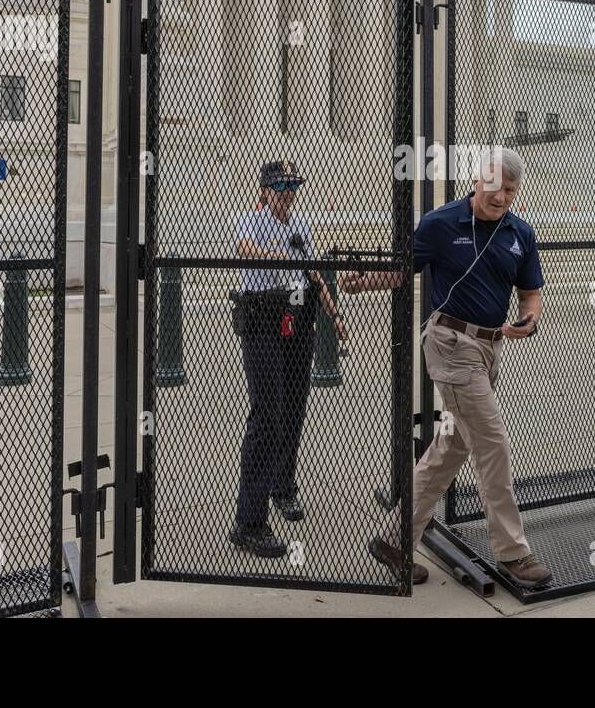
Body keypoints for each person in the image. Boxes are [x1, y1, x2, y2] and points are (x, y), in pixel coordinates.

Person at [338, 147, 553, 590]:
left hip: (490, 347)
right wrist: (364, 281)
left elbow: (530, 292)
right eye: (494, 186)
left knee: (450, 448)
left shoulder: (520, 233)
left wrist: (529, 320)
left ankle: (394, 539)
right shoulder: (441, 223)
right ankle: (513, 552)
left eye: (510, 190)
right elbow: (402, 271)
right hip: (450, 343)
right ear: (477, 180)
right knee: (492, 441)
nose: (500, 197)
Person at [229, 160, 347, 559]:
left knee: (294, 411)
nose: (287, 192)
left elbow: (313, 271)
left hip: (297, 321)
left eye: (293, 185)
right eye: (280, 186)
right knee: (267, 416)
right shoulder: (249, 218)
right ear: (264, 189)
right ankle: (249, 521)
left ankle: (284, 488)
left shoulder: (303, 225)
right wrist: (280, 255)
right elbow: (246, 250)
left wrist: (334, 313)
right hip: (263, 319)